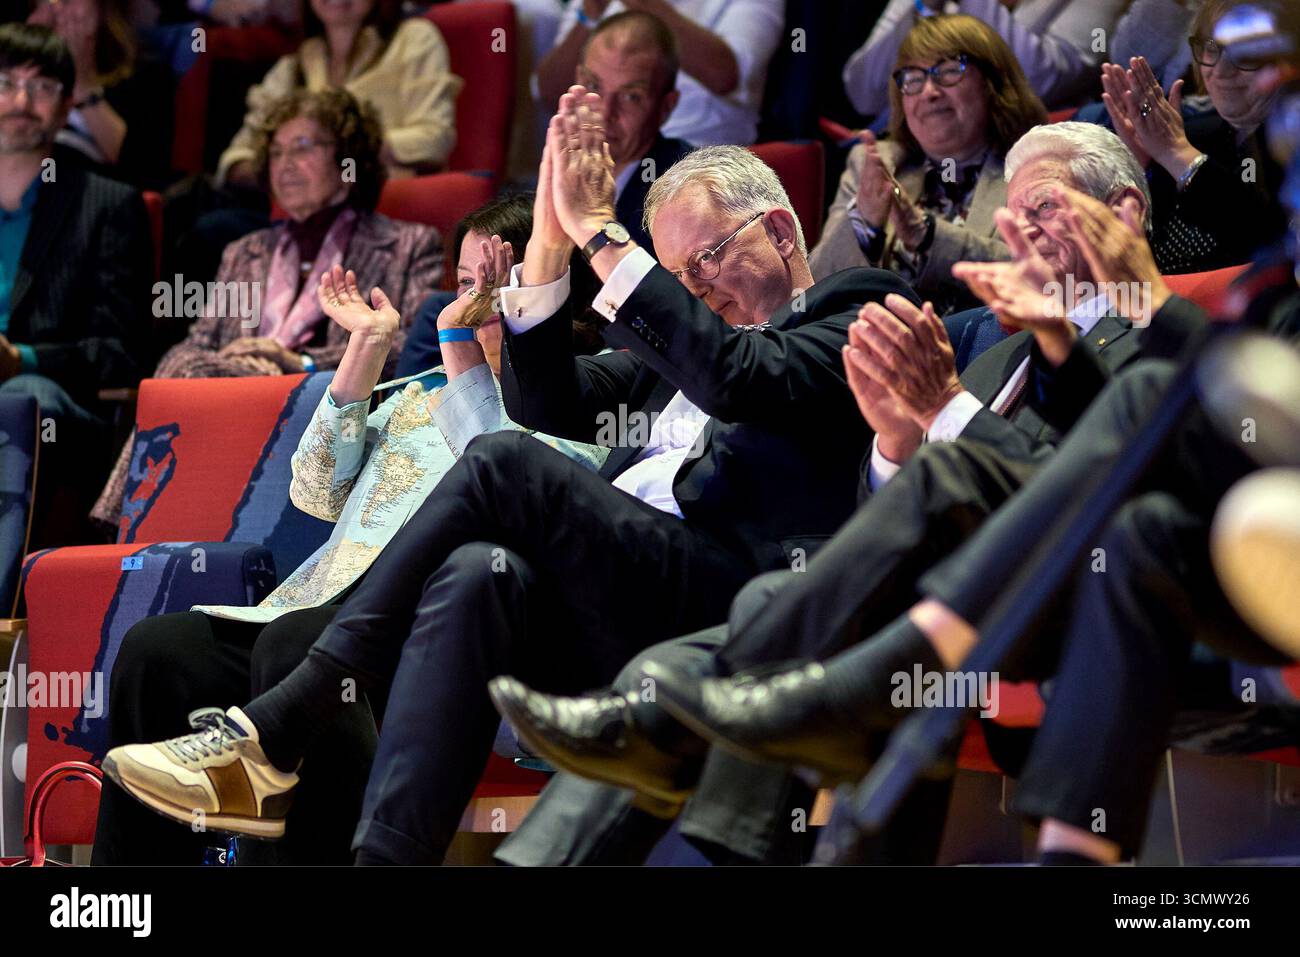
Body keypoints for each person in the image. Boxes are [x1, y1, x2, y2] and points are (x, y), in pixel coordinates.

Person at [100, 85, 920, 866]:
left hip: (732, 596)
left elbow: (741, 376)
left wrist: (605, 228)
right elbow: (548, 407)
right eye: (679, 278)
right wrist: (552, 243)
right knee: (472, 575)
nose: (694, 292)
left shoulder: (854, 309)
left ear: (779, 231)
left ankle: (279, 725)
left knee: (501, 463)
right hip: (612, 600)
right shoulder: (662, 371)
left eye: (705, 260)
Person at [485, 122, 1205, 867]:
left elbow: (1081, 490)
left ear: (1122, 212)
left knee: (724, 618)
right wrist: (896, 442)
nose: (1021, 233)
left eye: (1045, 208)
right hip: (923, 607)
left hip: (1068, 601)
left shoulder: (1169, 346)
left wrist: (948, 413)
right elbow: (901, 504)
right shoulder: (1002, 356)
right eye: (1014, 217)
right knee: (666, 671)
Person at [91, 191, 609, 865]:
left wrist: (461, 350)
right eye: (463, 282)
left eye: (492, 281)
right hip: (321, 613)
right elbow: (315, 493)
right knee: (158, 651)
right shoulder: (411, 393)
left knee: (296, 643)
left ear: (546, 289)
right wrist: (366, 349)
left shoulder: (584, 397)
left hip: (451, 640)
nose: (474, 298)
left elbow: (508, 478)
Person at [91, 87, 442, 530]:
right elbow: (202, 342)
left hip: (325, 408)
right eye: (275, 153)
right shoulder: (244, 251)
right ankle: (150, 527)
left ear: (349, 159)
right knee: (183, 359)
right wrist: (244, 360)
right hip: (232, 400)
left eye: (303, 147)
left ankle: (124, 519)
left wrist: (297, 360)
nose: (285, 164)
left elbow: (411, 353)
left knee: (185, 365)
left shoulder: (409, 243)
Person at [0, 22, 150, 543]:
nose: (21, 100)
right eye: (5, 83)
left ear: (66, 108)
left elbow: (120, 353)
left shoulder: (107, 206)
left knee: (22, 396)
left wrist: (22, 359)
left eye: (41, 87)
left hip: (57, 411)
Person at [810, 14, 1048, 315]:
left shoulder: (1035, 166)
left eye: (949, 72)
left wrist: (930, 237)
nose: (929, 92)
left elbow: (1046, 273)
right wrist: (864, 226)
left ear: (994, 85)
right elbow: (816, 289)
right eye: (913, 78)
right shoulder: (877, 164)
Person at [1100, 0, 1290, 272]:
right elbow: (1148, 254)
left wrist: (1177, 155)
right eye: (1212, 48)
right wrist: (1143, 168)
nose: (1219, 71)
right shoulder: (1199, 134)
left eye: (1245, 54)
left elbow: (1266, 239)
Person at [218, 0, 459, 188]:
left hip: (381, 202)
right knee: (216, 228)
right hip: (291, 210)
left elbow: (435, 137)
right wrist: (291, 168)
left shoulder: (415, 39)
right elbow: (235, 159)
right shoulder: (293, 66)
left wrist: (339, 151)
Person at [537, 0, 782, 146]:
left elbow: (727, 75)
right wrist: (589, 16)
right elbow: (548, 94)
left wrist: (645, 4)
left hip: (697, 164)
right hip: (598, 156)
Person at [843, 0, 1132, 119]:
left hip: (1018, 159)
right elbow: (863, 95)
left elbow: (1040, 82)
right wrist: (920, 6)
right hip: (910, 149)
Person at [574, 11, 694, 254]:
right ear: (578, 80)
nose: (605, 113)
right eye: (594, 86)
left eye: (631, 97)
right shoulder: (560, 167)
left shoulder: (685, 197)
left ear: (666, 107)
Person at [26, 0, 176, 190]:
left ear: (102, 7)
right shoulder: (20, 71)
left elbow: (137, 166)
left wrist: (81, 85)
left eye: (69, 1)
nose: (59, 9)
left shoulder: (147, 74)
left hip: (92, 193)